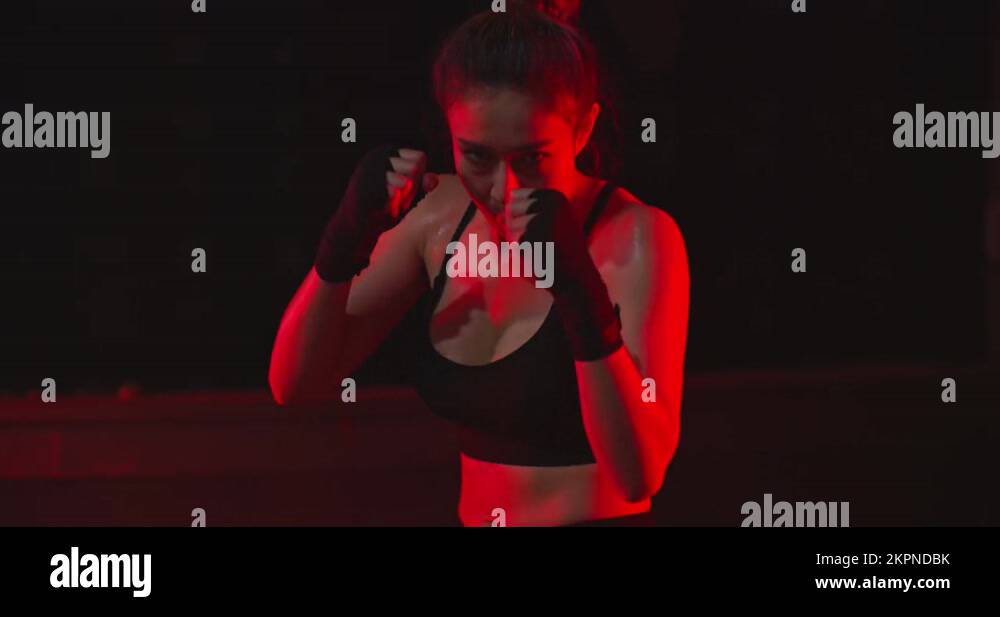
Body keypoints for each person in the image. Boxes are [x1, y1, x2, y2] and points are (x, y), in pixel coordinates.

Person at [268, 3, 689, 526]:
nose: (504, 189)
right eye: (477, 157)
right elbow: (295, 384)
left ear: (582, 131)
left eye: (533, 158)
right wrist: (341, 243)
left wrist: (580, 290)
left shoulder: (637, 236)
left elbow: (639, 474)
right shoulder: (436, 220)